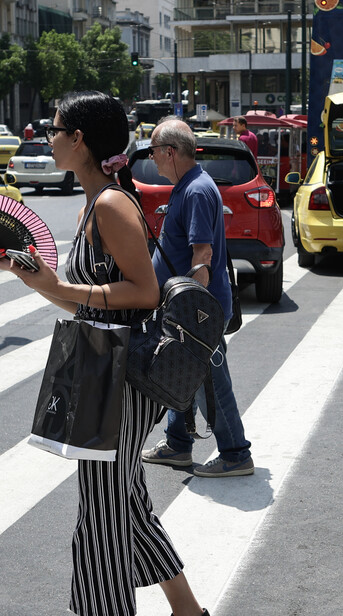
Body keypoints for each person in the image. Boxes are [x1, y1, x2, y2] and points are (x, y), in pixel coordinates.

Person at [0, 92, 216, 616]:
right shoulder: (94, 203)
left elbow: (144, 293)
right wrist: (27, 275)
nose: (48, 137)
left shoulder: (110, 204)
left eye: (55, 129)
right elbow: (86, 302)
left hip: (121, 380)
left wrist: (61, 286)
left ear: (79, 139)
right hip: (101, 370)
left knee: (103, 518)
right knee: (125, 508)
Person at [141, 118, 255, 478]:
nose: (152, 158)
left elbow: (202, 256)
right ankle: (178, 444)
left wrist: (193, 315)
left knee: (210, 382)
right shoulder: (189, 186)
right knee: (183, 373)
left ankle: (235, 452)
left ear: (170, 151)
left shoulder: (195, 191)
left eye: (154, 151)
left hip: (197, 310)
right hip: (187, 309)